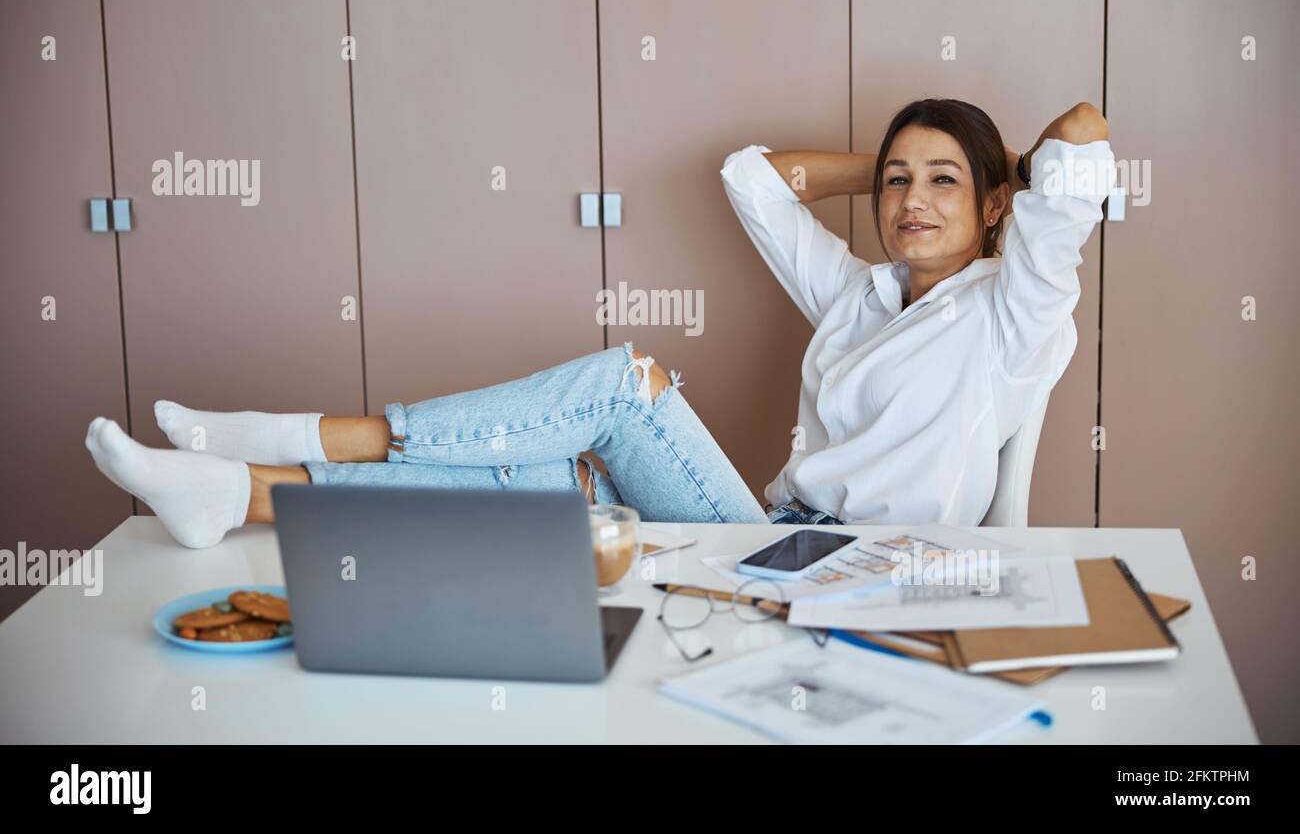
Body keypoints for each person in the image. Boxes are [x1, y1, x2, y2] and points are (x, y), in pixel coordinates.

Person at [84, 99, 1112, 547]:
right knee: (539, 482)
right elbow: (749, 180)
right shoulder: (857, 294)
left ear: (994, 208)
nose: (907, 198)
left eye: (941, 181)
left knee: (629, 384)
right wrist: (890, 161)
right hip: (762, 535)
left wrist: (1003, 177)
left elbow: (1083, 133)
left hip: (843, 573)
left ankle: (297, 435)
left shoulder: (1012, 308)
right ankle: (242, 491)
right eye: (895, 181)